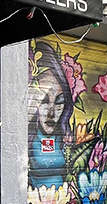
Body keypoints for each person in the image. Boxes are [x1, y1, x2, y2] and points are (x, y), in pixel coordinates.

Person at [28, 41, 74, 189]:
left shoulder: (64, 136)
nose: (52, 113)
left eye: (59, 102)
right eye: (44, 101)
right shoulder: (29, 137)